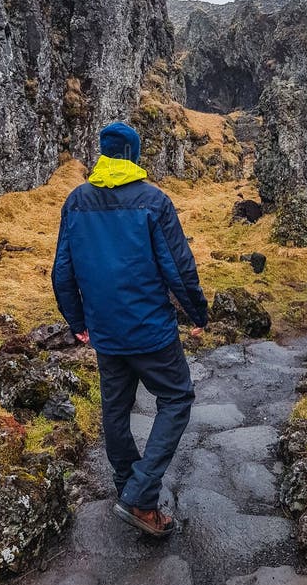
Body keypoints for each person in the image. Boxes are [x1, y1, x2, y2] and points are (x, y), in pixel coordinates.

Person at [51, 121, 208, 537]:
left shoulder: (76, 202)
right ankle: (139, 496)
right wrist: (198, 314)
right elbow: (178, 268)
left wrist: (78, 323)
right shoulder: (153, 201)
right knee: (177, 397)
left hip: (106, 333)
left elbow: (62, 272)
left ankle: (130, 490)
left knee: (115, 410)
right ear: (134, 156)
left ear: (103, 154)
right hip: (151, 331)